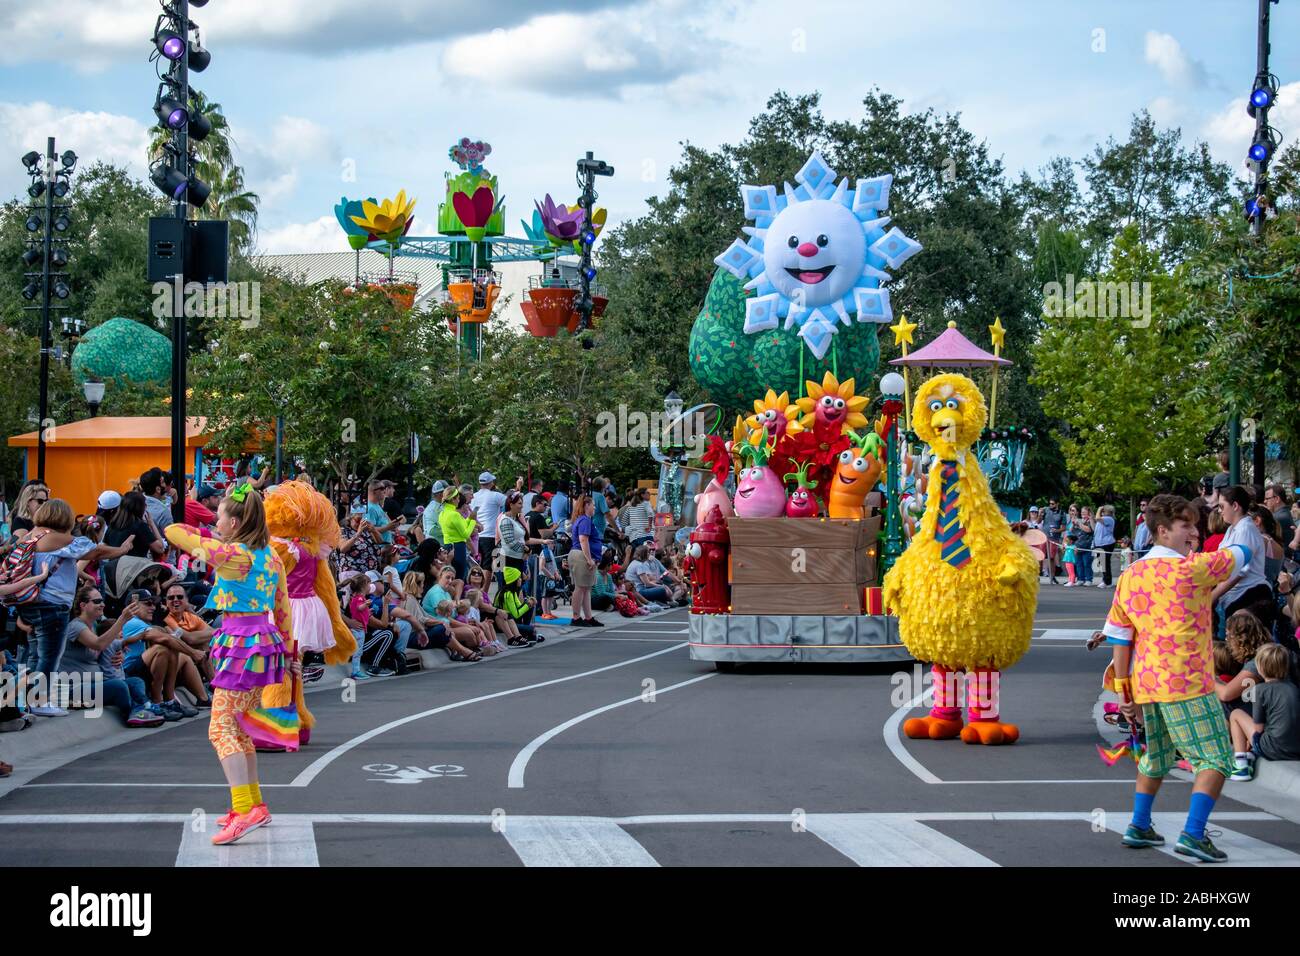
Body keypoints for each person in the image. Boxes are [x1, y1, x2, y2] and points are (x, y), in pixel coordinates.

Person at [1104, 494, 1253, 862]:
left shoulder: (1130, 575)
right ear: (1162, 530)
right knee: (1216, 758)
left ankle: (1139, 824)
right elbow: (1242, 554)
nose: (1194, 531)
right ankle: (1193, 833)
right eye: (1186, 525)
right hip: (1188, 681)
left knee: (1155, 755)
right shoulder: (1192, 568)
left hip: (1148, 682)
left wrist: (1125, 691)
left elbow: (1120, 639)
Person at [164, 483, 297, 846]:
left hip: (240, 641)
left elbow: (172, 531)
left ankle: (245, 808)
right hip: (263, 641)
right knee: (239, 728)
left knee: (221, 729)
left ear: (235, 522)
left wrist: (201, 533)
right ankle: (252, 803)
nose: (214, 520)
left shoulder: (233, 555)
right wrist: (289, 655)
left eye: (219, 516)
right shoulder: (269, 555)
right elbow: (283, 610)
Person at [17, 499, 134, 716]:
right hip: (51, 603)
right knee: (49, 655)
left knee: (35, 655)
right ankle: (39, 701)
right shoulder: (54, 537)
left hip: (30, 601)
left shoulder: (31, 535)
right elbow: (94, 552)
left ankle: (23, 700)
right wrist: (122, 549)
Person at [64, 588, 165, 726]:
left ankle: (146, 707)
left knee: (135, 681)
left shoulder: (93, 626)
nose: (102, 605)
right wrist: (122, 619)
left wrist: (119, 655)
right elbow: (98, 644)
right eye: (97, 601)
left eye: (102, 601)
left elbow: (102, 650)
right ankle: (135, 712)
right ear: (83, 605)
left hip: (96, 683)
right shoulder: (75, 626)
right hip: (75, 689)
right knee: (119, 686)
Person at [1215, 486, 1275, 632]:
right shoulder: (1233, 529)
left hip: (1249, 597)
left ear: (1235, 506)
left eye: (1222, 506)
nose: (1219, 511)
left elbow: (1240, 572)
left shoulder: (1245, 529)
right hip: (1238, 597)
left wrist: (1213, 596)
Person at [1243, 643, 1300, 768]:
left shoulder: (1260, 690)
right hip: (1296, 750)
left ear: (1260, 668)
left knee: (1236, 714)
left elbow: (1258, 729)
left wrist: (1249, 740)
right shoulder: (1294, 688)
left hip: (1273, 749)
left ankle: (1240, 764)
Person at [568, 494, 602, 628]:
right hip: (581, 556)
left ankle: (588, 617)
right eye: (593, 505)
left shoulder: (583, 520)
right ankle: (576, 617)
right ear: (586, 505)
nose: (594, 507)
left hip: (582, 555)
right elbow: (583, 539)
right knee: (580, 587)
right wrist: (589, 559)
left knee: (586, 588)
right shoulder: (585, 520)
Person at [105, 491, 165, 560]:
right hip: (133, 568)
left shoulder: (113, 524)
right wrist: (152, 524)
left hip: (113, 568)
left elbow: (105, 546)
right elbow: (160, 548)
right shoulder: (140, 526)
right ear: (140, 507)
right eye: (144, 504)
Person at [365, 479, 400, 546]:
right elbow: (369, 531)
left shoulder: (376, 505)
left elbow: (382, 525)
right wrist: (388, 527)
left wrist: (391, 526)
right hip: (379, 549)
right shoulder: (370, 508)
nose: (384, 491)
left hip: (386, 547)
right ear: (374, 491)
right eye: (382, 488)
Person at [139, 468, 176, 532]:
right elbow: (170, 538)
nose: (167, 486)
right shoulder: (163, 512)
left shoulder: (135, 502)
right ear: (158, 489)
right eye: (163, 482)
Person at [1041, 499, 1064, 584]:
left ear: (1057, 504)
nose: (1050, 505)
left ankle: (1052, 576)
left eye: (1053, 504)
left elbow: (1064, 528)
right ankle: (1036, 576)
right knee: (1041, 556)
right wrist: (1040, 514)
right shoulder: (1046, 510)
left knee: (1051, 557)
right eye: (1050, 503)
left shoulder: (1061, 513)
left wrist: (1057, 530)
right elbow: (1039, 521)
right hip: (1044, 537)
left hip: (1054, 538)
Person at [1094, 504, 1117, 587]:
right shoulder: (1102, 520)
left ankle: (1107, 581)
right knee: (1102, 563)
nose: (1102, 512)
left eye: (1104, 510)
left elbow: (1097, 518)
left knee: (1105, 563)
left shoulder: (1109, 519)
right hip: (1099, 543)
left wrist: (1099, 509)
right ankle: (1105, 579)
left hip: (1107, 543)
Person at [1073, 505, 1095, 587]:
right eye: (1082, 512)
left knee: (1087, 564)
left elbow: (1089, 530)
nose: (1082, 513)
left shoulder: (1091, 521)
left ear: (1089, 513)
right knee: (1079, 564)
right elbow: (1073, 531)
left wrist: (1079, 523)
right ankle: (1080, 579)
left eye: (1084, 512)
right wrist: (1074, 523)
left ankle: (1089, 579)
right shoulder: (1080, 520)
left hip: (1087, 546)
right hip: (1078, 545)